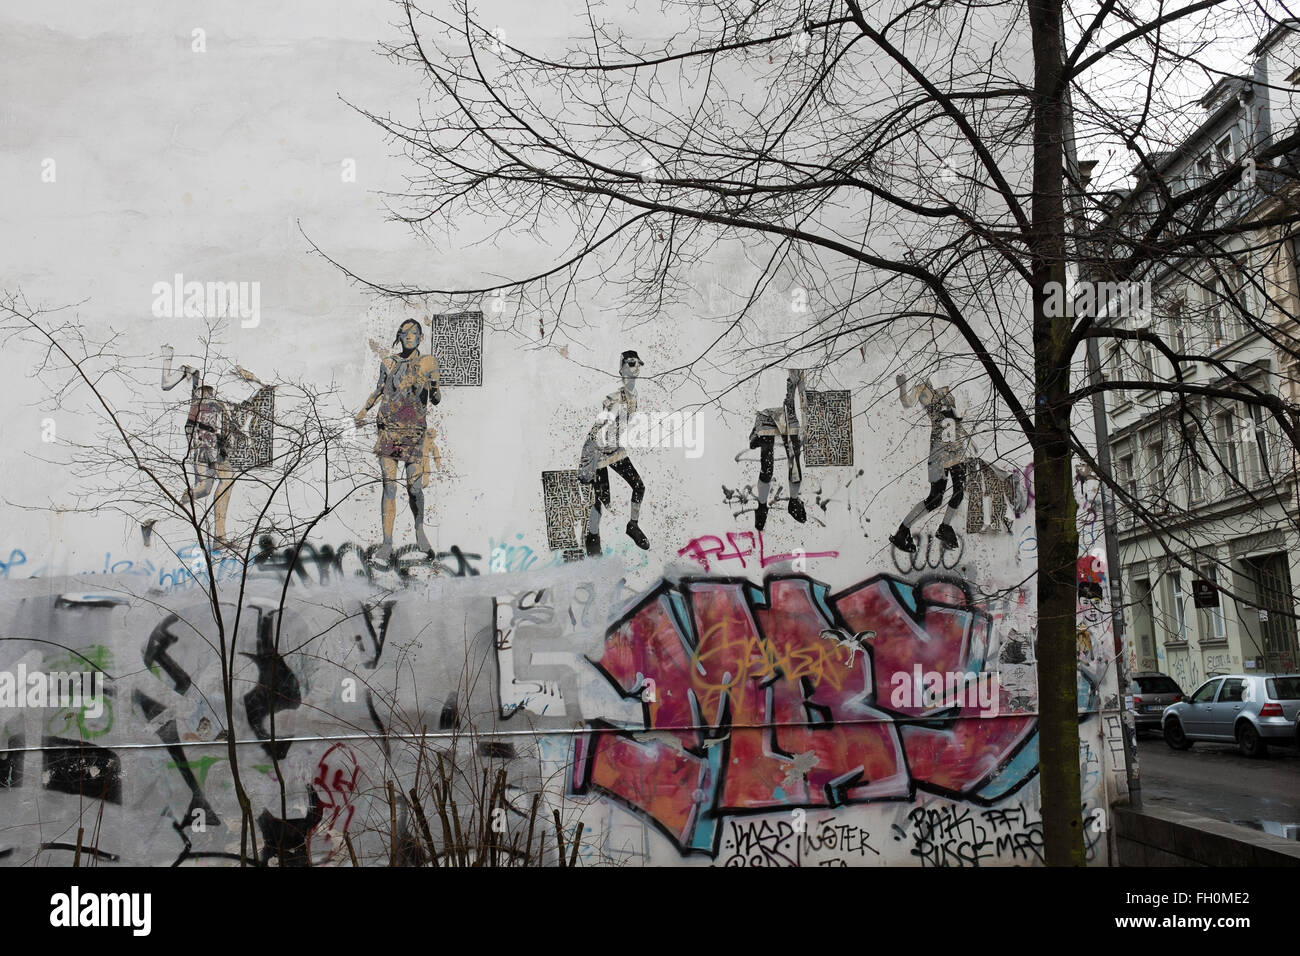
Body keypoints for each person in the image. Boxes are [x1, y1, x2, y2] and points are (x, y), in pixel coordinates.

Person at [355, 319, 441, 560]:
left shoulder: (428, 362)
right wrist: (363, 411)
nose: (409, 336)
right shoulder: (389, 362)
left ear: (421, 337)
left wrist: (434, 389)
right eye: (405, 333)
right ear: (399, 336)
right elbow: (379, 389)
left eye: (414, 333)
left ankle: (419, 528)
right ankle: (387, 542)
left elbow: (436, 397)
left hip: (414, 431)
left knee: (414, 488)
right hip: (389, 430)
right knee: (389, 487)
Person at [577, 350, 649, 557]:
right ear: (622, 367)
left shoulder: (632, 394)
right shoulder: (616, 398)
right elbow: (600, 429)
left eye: (638, 363)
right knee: (599, 500)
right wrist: (595, 459)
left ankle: (632, 526)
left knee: (638, 486)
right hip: (597, 450)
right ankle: (592, 541)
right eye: (631, 363)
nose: (636, 367)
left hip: (613, 448)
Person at [889, 373, 969, 552]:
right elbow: (907, 403)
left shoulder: (948, 388)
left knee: (959, 490)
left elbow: (958, 418)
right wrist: (902, 386)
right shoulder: (922, 388)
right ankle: (903, 530)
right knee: (936, 498)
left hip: (956, 447)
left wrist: (970, 442)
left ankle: (944, 527)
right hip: (940, 450)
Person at [748, 368, 809, 531]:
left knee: (793, 464)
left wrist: (805, 422)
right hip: (771, 416)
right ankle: (764, 506)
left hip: (785, 416)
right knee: (769, 466)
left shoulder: (794, 363)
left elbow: (802, 392)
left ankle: (789, 502)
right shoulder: (766, 356)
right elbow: (802, 393)